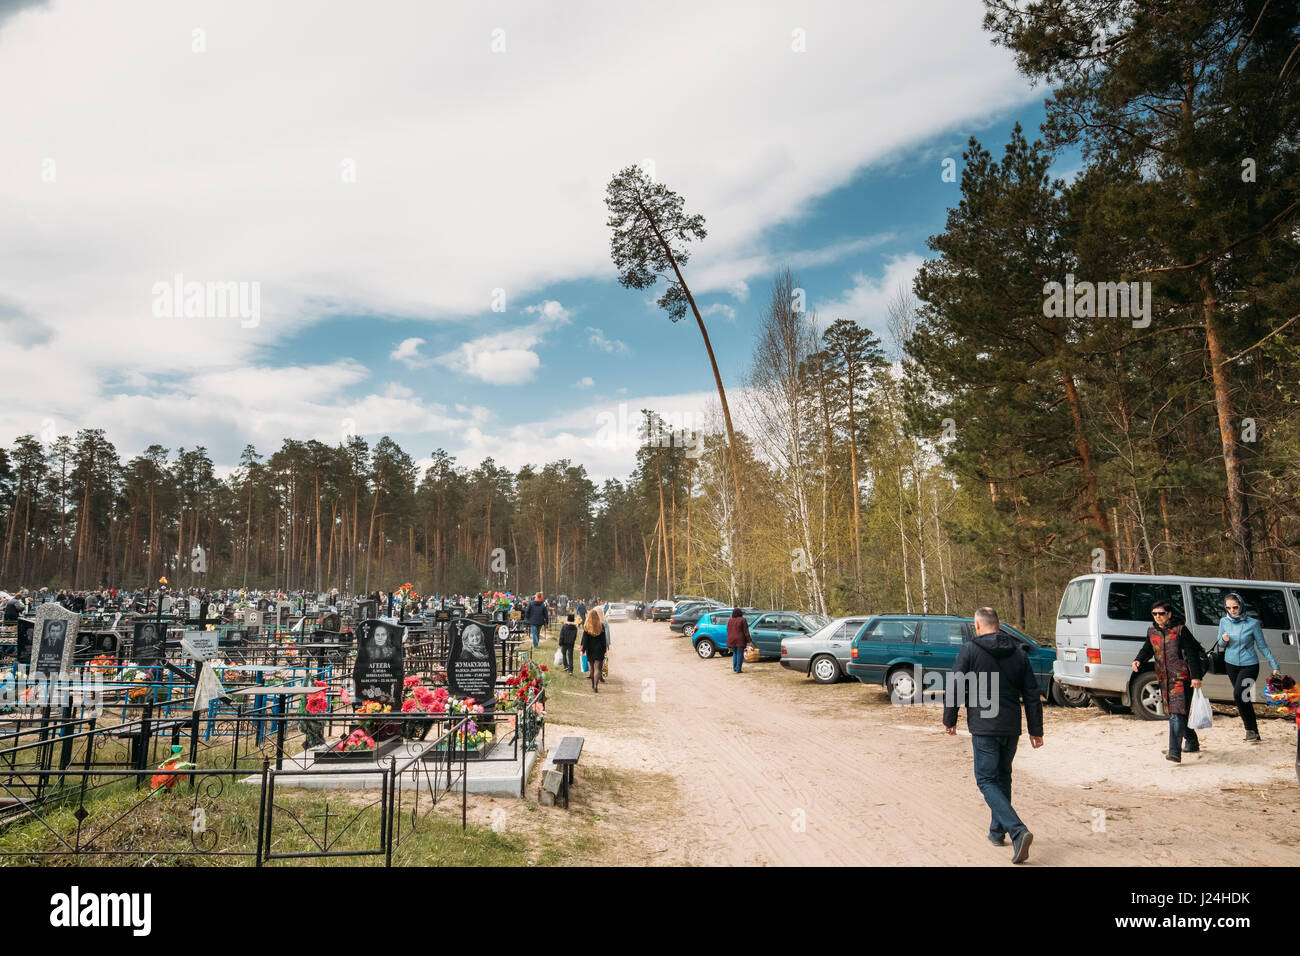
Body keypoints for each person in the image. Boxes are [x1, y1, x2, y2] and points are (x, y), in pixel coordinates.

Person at [942, 606, 1044, 864]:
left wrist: (949, 719)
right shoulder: (1019, 653)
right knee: (1002, 777)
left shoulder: (970, 650)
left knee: (986, 779)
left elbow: (955, 683)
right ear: (998, 625)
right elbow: (1032, 693)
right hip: (1010, 726)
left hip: (985, 726)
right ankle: (997, 832)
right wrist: (1036, 730)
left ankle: (1017, 830)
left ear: (977, 626)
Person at [1133, 599, 1204, 763]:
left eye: (1161, 613)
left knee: (1176, 713)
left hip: (1182, 677)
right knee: (1176, 713)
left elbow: (1191, 654)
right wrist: (1138, 660)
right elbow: (1147, 648)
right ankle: (1192, 741)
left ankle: (1174, 752)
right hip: (1164, 678)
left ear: (1169, 614)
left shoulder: (1180, 630)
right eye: (1155, 614)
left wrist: (1196, 677)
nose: (1158, 616)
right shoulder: (1152, 631)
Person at [1214, 592, 1280, 742]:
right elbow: (1220, 643)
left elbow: (1262, 646)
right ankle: (1253, 732)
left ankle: (1250, 730)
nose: (1232, 611)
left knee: (1239, 695)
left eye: (1235, 607)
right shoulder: (1224, 621)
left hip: (1249, 665)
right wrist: (1223, 640)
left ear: (1241, 606)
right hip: (1230, 664)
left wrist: (1274, 665)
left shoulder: (1253, 623)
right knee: (1244, 698)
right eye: (1228, 608)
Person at [580, 607, 608, 693]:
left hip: (590, 650)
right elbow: (604, 641)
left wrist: (583, 650)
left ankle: (593, 685)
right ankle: (596, 685)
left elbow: (585, 640)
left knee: (591, 668)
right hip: (599, 650)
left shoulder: (586, 627)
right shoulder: (601, 626)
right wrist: (604, 651)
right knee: (597, 668)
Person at [725, 608, 752, 673]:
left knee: (735, 653)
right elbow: (746, 631)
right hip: (740, 640)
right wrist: (749, 640)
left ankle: (735, 668)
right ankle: (738, 669)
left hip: (731, 639)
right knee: (740, 654)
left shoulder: (730, 620)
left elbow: (727, 629)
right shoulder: (743, 620)